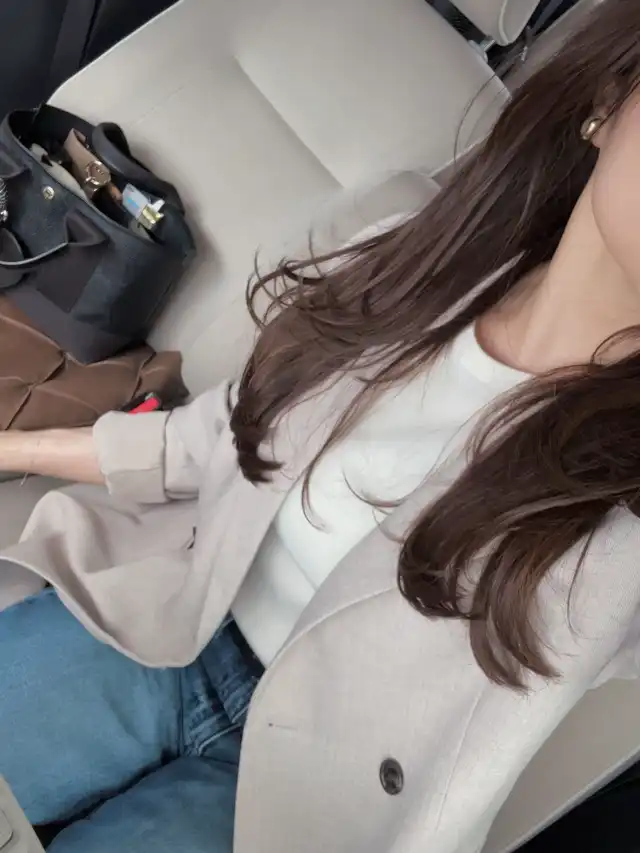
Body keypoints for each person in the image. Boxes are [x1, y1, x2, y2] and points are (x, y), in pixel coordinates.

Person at [0, 2, 639, 851]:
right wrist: (19, 447)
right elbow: (225, 434)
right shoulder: (420, 253)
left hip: (306, 806)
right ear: (610, 99)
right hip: (178, 606)